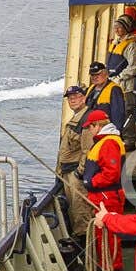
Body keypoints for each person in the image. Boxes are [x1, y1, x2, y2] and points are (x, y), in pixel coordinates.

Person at [83, 108, 125, 271]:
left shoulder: (108, 143)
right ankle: (108, 263)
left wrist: (92, 182)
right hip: (104, 194)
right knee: (103, 231)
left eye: (90, 127)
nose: (89, 130)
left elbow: (111, 173)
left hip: (106, 195)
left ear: (97, 125)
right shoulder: (107, 141)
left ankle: (111, 266)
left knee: (108, 231)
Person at [56, 84, 93, 237]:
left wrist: (79, 172)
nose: (73, 101)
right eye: (70, 98)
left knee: (80, 212)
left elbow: (87, 150)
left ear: (84, 98)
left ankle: (85, 247)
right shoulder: (75, 119)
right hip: (67, 172)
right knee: (74, 210)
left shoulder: (85, 120)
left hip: (75, 173)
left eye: (76, 97)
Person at [85, 61, 127, 131]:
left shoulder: (114, 89)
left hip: (106, 130)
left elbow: (118, 115)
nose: (95, 77)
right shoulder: (91, 88)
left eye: (98, 74)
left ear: (106, 74)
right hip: (91, 129)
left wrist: (115, 132)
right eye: (92, 75)